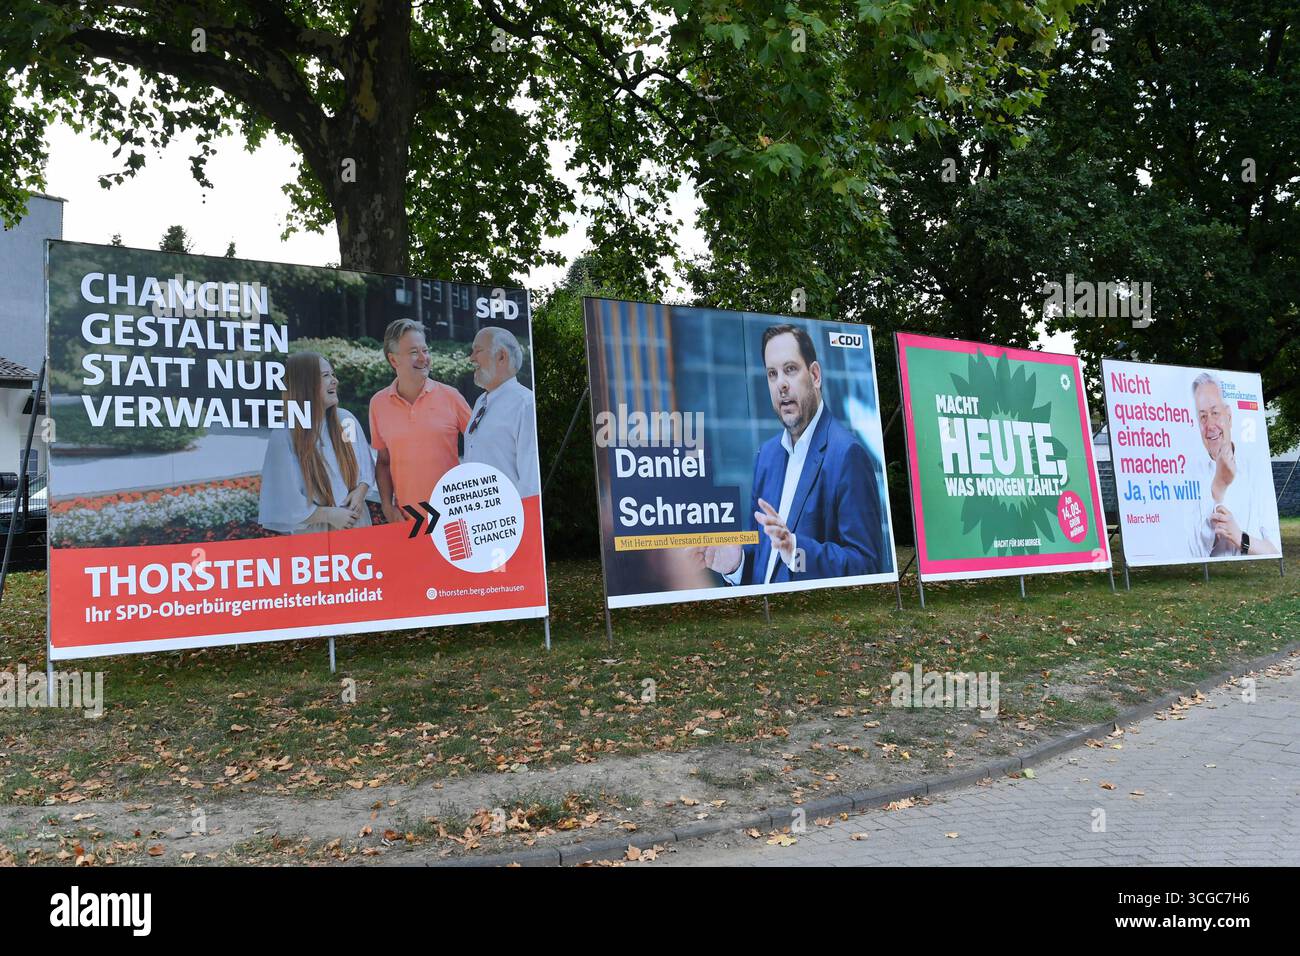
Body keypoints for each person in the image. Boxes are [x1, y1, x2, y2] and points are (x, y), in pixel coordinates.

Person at [694, 323, 883, 585]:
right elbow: (765, 565)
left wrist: (796, 550)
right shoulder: (767, 456)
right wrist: (736, 564)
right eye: (772, 374)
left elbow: (866, 566)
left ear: (815, 375)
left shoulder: (847, 455)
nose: (781, 384)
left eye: (790, 370)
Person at [369, 319, 472, 523]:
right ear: (393, 360)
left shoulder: (451, 397)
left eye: (425, 350)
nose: (424, 358)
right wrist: (388, 508)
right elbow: (383, 462)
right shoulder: (378, 404)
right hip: (408, 521)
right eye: (414, 352)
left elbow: (483, 446)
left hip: (453, 518)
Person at [259, 351, 373, 534]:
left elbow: (366, 469)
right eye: (326, 376)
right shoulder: (284, 435)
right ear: (305, 384)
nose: (335, 381)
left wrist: (360, 492)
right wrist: (329, 515)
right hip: (315, 533)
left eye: (333, 374)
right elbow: (285, 502)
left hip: (356, 525)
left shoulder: (346, 421)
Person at [1184, 372, 1280, 557]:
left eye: (1215, 413)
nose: (1210, 425)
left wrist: (1239, 537)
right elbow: (1192, 554)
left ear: (1228, 416)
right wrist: (1217, 489)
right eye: (1203, 416)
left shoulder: (1255, 470)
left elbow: (1274, 549)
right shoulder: (1190, 473)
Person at [463, 326, 540, 496]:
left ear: (501, 356)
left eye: (477, 351)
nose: (471, 358)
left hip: (510, 518)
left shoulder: (525, 404)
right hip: (480, 516)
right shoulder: (481, 402)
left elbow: (531, 481)